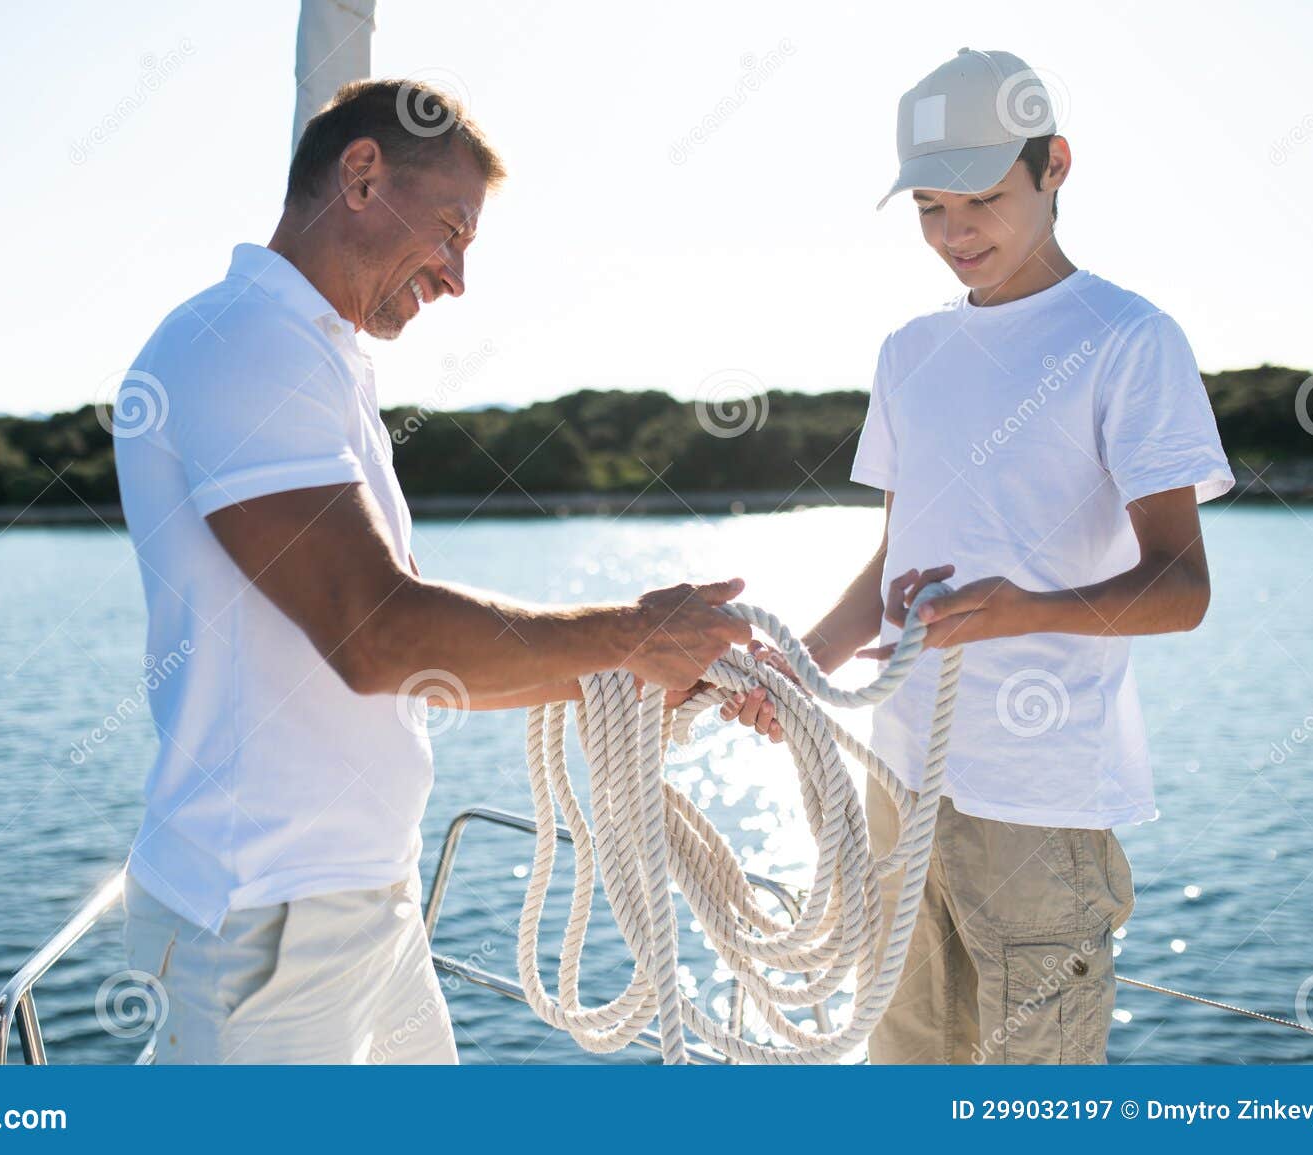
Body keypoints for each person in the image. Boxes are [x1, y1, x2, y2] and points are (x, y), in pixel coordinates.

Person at [113, 79, 754, 1064]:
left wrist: (643, 667)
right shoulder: (239, 342)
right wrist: (631, 637)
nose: (456, 277)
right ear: (361, 174)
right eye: (451, 230)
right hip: (269, 921)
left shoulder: (313, 356)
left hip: (358, 901)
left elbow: (412, 656)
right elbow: (379, 637)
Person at [727, 49, 1233, 1064]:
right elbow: (889, 570)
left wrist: (1023, 608)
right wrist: (800, 670)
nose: (955, 236)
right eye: (928, 208)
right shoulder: (907, 353)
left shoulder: (1130, 340)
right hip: (897, 788)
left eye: (982, 201)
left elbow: (1181, 589)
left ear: (1055, 165)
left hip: (1038, 812)